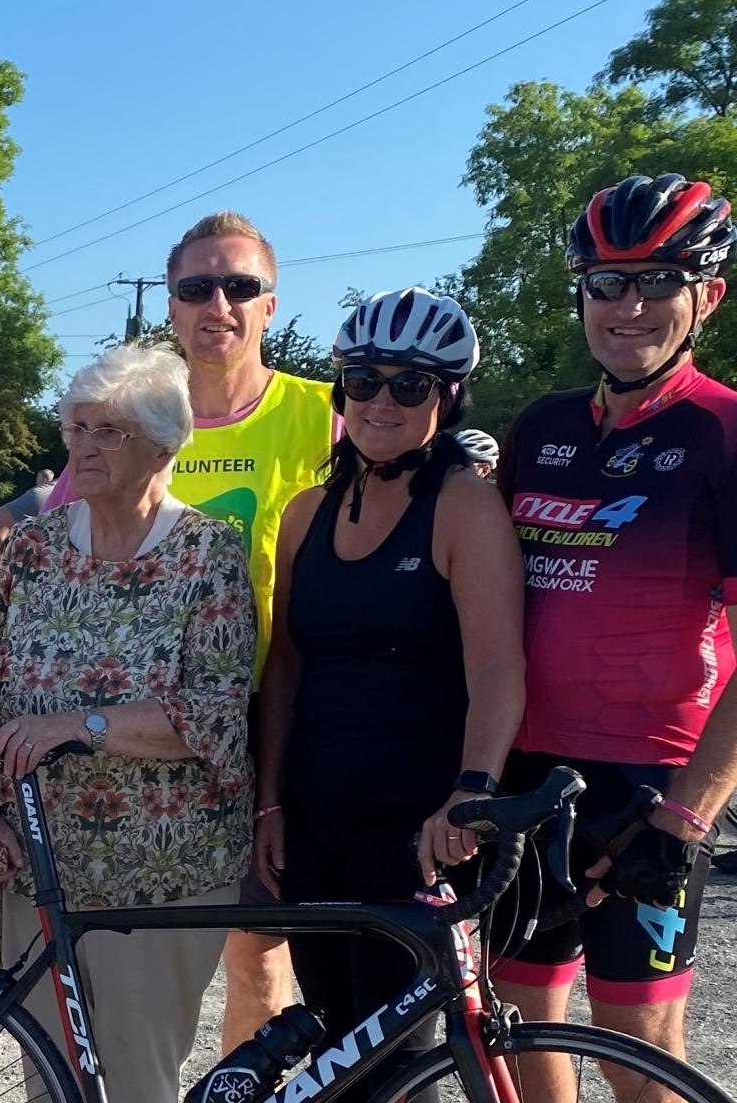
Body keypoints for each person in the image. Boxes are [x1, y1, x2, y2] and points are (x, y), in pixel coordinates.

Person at [44, 210, 326, 1047]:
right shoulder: (133, 415)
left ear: (270, 306)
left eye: (241, 286)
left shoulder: (325, 414)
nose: (219, 302)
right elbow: (53, 526)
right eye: (197, 286)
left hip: (278, 712)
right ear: (169, 306)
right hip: (148, 733)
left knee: (260, 955)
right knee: (140, 984)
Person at [0, 343, 254, 1103]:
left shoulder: (208, 553)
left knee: (134, 1078)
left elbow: (215, 716)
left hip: (161, 872)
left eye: (107, 431)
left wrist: (77, 724)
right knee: (48, 1075)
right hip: (37, 863)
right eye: (76, 428)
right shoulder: (32, 549)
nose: (82, 446)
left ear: (162, 444)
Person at [252, 289, 524, 1103]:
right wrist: (268, 804)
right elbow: (287, 670)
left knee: (398, 1062)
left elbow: (499, 669)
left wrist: (473, 792)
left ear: (447, 397)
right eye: (364, 380)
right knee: (334, 1046)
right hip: (315, 819)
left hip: (417, 831)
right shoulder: (307, 513)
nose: (382, 401)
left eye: (411, 386)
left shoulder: (465, 508)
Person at [495, 172, 737, 1083]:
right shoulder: (542, 426)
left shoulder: (725, 432)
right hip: (531, 773)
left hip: (651, 783)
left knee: (642, 1052)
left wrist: (684, 818)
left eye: (660, 280)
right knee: (525, 1029)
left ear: (707, 296)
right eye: (607, 282)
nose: (628, 306)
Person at [0, 468, 55, 557]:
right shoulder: (40, 495)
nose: (38, 481)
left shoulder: (36, 495)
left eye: (40, 479)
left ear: (44, 480)